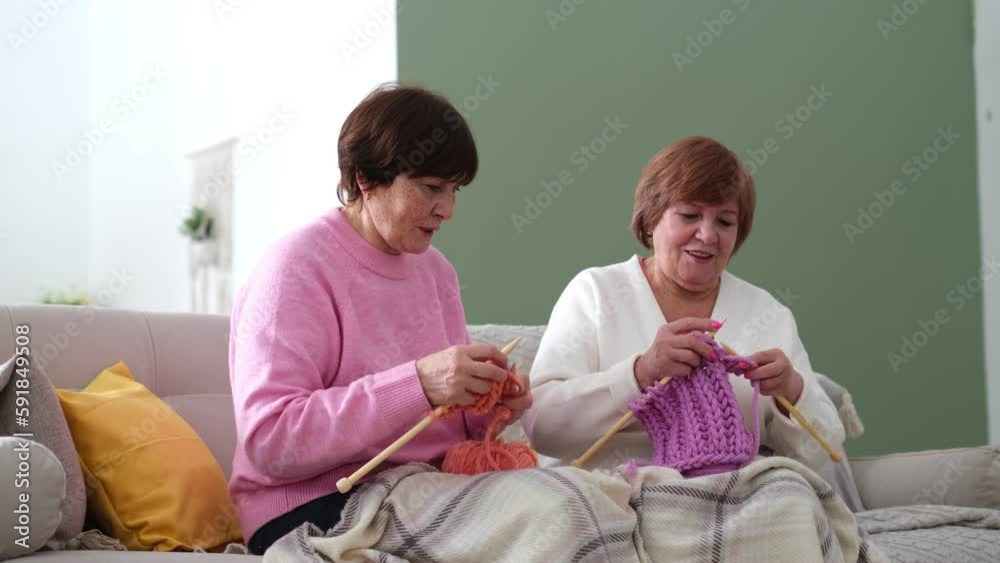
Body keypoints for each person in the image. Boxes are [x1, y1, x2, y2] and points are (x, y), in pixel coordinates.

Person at [227, 84, 533, 555]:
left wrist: (488, 404)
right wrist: (418, 384)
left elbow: (443, 428)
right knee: (547, 515)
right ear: (366, 177)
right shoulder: (294, 268)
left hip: (424, 488)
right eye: (432, 188)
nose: (448, 210)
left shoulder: (437, 272)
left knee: (596, 503)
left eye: (454, 190)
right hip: (316, 505)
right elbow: (272, 441)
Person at [522, 136, 844, 472]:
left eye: (725, 221)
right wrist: (639, 374)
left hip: (731, 493)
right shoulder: (596, 292)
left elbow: (824, 451)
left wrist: (791, 392)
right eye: (690, 215)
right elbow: (542, 426)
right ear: (651, 219)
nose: (707, 234)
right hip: (609, 491)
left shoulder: (767, 314)